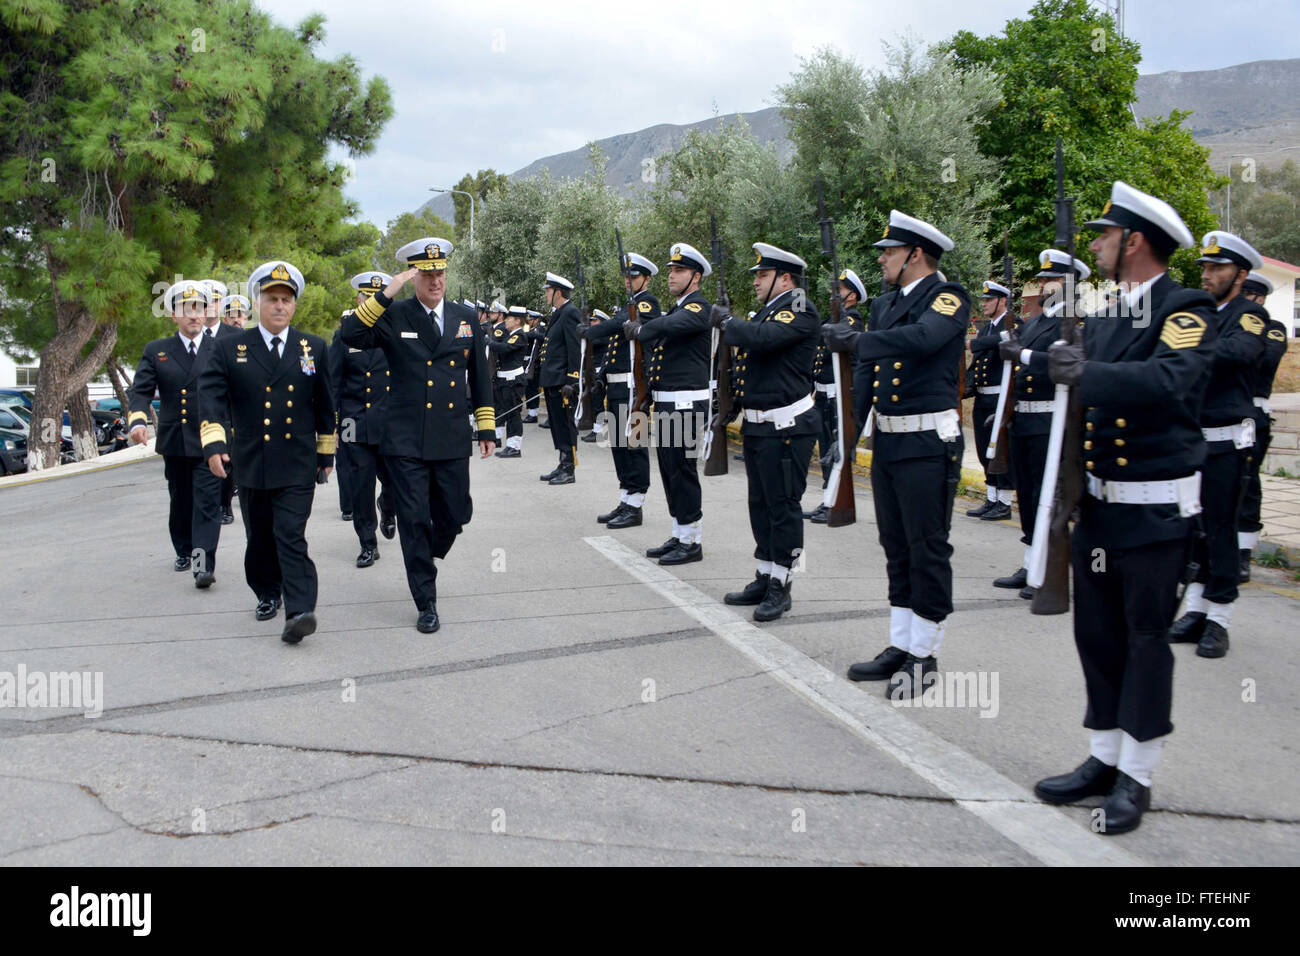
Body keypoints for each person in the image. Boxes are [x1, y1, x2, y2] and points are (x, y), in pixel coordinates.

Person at [1032, 181, 1216, 835]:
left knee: (1145, 642)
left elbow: (1172, 381)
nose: (1098, 245)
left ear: (1134, 241)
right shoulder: (1109, 313)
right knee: (1098, 636)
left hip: (1156, 514)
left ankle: (1137, 775)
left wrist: (1087, 373)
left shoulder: (1184, 308)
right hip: (1104, 509)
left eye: (1104, 236)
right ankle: (1103, 757)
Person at [822, 211, 969, 699]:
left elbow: (925, 339)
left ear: (916, 255)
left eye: (890, 251)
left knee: (927, 547)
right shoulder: (885, 306)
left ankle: (924, 655)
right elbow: (867, 375)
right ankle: (901, 643)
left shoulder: (949, 298)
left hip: (928, 442)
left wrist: (860, 340)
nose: (882, 258)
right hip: (888, 440)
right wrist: (849, 431)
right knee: (896, 546)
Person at [340, 237, 496, 633]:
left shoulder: (465, 317)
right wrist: (386, 293)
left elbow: (479, 376)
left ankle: (424, 550)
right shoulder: (395, 314)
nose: (435, 281)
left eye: (440, 272)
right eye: (426, 274)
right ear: (413, 278)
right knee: (413, 521)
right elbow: (351, 335)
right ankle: (426, 600)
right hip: (405, 438)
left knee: (456, 512)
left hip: (450, 436)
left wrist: (487, 428)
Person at [199, 260, 335, 644]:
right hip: (253, 461)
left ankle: (300, 611)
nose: (279, 306)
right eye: (272, 298)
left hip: (297, 461)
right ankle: (266, 591)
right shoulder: (231, 347)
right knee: (260, 537)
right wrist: (214, 444)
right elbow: (210, 397)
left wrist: (326, 455)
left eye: (286, 300)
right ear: (259, 301)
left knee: (290, 534)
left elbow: (326, 404)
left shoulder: (314, 347)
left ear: (294, 306)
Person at [1165, 231, 1268, 659]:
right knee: (1195, 529)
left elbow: (1239, 353)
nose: (1206, 275)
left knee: (1221, 529)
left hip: (1227, 444)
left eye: (1217, 268)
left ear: (1240, 275)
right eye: (1205, 267)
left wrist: (1190, 348)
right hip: (1191, 440)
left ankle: (1219, 619)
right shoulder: (1199, 310)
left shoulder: (1249, 316)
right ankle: (1194, 609)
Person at [709, 242, 819, 621]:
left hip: (788, 426)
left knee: (783, 507)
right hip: (759, 427)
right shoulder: (770, 311)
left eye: (762, 275)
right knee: (761, 504)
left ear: (785, 278)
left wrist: (727, 322)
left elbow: (764, 340)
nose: (756, 281)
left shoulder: (800, 307)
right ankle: (765, 573)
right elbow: (752, 360)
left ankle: (782, 584)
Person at [993, 250, 1091, 598]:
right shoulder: (1034, 322)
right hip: (1024, 420)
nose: (1044, 284)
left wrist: (1022, 354)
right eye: (1044, 279)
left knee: (1052, 495)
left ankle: (1049, 565)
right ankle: (1031, 560)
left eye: (1052, 279)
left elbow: (1067, 364)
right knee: (1030, 494)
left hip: (1053, 420)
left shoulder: (1076, 321)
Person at [128, 279, 225, 588]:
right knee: (181, 500)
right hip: (175, 440)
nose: (194, 315)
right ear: (174, 316)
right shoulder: (158, 351)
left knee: (207, 502)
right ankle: (183, 549)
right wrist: (138, 421)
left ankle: (202, 565)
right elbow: (140, 391)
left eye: (198, 308)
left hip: (212, 440)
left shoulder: (220, 347)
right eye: (186, 309)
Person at [627, 243, 712, 564]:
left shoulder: (697, 307)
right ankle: (680, 532)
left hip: (686, 404)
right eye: (672, 270)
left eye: (679, 271)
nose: (672, 276)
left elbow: (672, 326)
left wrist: (643, 328)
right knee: (668, 469)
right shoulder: (678, 308)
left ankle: (692, 541)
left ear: (696, 276)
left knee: (682, 471)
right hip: (668, 402)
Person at [329, 271, 397, 568]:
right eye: (366, 297)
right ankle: (367, 543)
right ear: (359, 300)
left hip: (389, 422)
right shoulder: (345, 334)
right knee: (360, 485)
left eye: (377, 297)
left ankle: (389, 506)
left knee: (395, 480)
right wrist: (330, 425)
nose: (372, 302)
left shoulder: (395, 332)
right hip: (352, 421)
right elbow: (333, 381)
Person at [588, 253, 660, 528]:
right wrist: (603, 377)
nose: (628, 282)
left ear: (646, 279)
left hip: (635, 386)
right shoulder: (626, 305)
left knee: (635, 444)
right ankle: (626, 498)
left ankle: (637, 504)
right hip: (618, 386)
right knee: (619, 444)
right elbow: (615, 348)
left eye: (634, 277)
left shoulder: (647, 302)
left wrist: (589, 331)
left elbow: (617, 325)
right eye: (627, 278)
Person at [1237, 272, 1288, 581]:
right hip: (1215, 414)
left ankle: (1243, 552)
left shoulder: (1273, 329)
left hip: (1248, 415)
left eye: (1247, 295)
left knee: (1245, 479)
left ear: (1260, 298)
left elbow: (1265, 360)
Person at [806, 269, 866, 524]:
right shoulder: (837, 320)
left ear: (852, 296)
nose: (837, 295)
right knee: (826, 449)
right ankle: (829, 499)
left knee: (835, 449)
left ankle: (835, 502)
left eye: (841, 290)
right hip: (823, 396)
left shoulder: (852, 321)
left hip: (836, 399)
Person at [965, 280, 1016, 521]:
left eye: (989, 300)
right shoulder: (986, 329)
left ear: (1002, 301)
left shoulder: (1013, 324)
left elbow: (1001, 341)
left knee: (1001, 450)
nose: (984, 303)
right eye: (983, 300)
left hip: (1000, 397)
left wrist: (971, 343)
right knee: (985, 449)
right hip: (983, 398)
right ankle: (991, 498)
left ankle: (1004, 502)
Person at [538, 272, 582, 484]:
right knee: (556, 424)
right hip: (552, 379)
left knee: (565, 424)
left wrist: (572, 380)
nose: (546, 294)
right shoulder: (559, 313)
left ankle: (569, 468)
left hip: (562, 381)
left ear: (558, 292)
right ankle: (562, 462)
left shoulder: (570, 313)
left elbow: (574, 349)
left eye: (548, 290)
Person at [488, 304, 528, 458]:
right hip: (505, 378)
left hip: (514, 379)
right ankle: (510, 444)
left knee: (514, 413)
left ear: (517, 320)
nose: (506, 321)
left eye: (509, 318)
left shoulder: (520, 336)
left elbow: (505, 348)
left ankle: (515, 447)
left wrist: (488, 342)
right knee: (508, 412)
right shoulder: (511, 334)